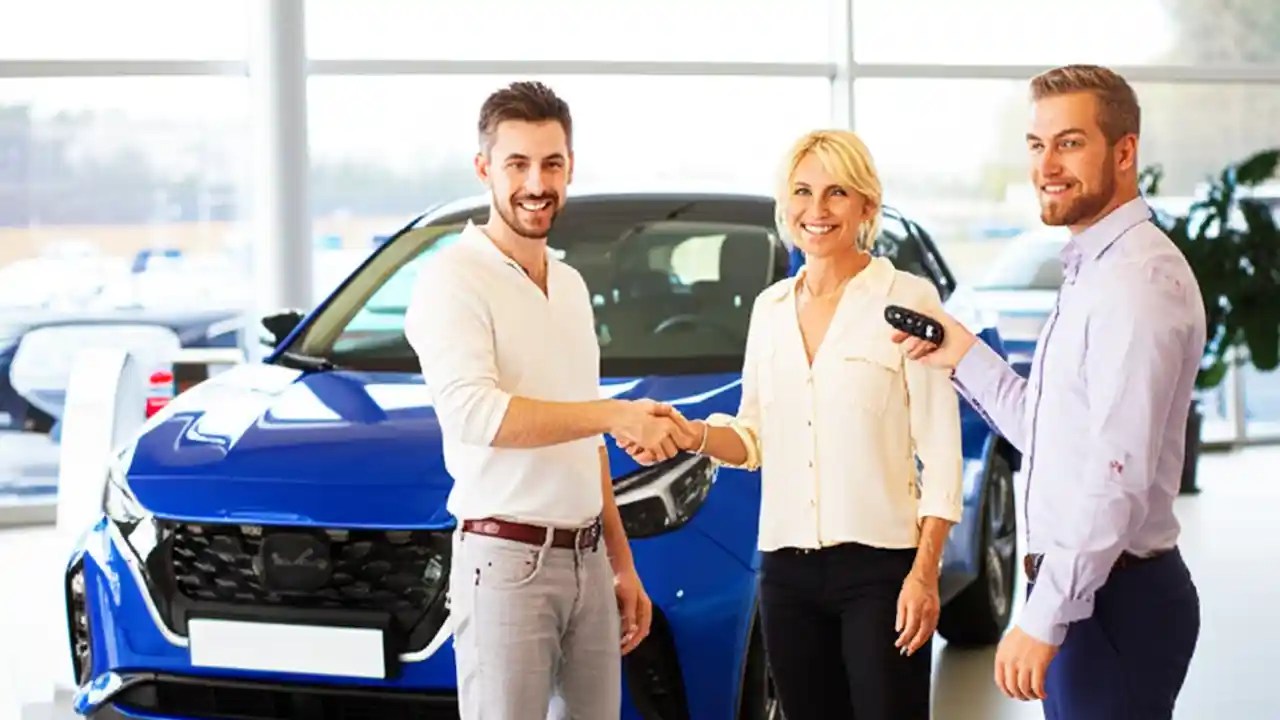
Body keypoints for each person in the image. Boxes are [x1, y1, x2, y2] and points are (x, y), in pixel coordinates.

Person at [892, 64, 1204, 719]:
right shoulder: (1096, 266)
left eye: (1069, 142)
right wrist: (960, 351)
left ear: (1124, 152)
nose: (1046, 164)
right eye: (1036, 145)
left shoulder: (1136, 283)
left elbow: (1116, 471)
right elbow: (1049, 431)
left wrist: (1046, 614)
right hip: (1095, 593)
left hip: (1111, 602)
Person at [620, 128, 964, 720]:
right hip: (786, 571)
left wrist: (924, 574)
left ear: (865, 206)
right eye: (802, 192)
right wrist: (692, 432)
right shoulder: (771, 309)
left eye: (836, 193)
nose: (817, 210)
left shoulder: (905, 298)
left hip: (881, 570)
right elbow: (754, 436)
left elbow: (942, 452)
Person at [404, 81, 686, 719]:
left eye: (552, 164)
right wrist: (616, 414)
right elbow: (476, 414)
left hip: (588, 561)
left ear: (570, 168)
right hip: (506, 565)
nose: (537, 183)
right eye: (518, 164)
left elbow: (583, 437)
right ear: (484, 169)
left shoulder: (571, 284)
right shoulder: (453, 279)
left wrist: (621, 562)